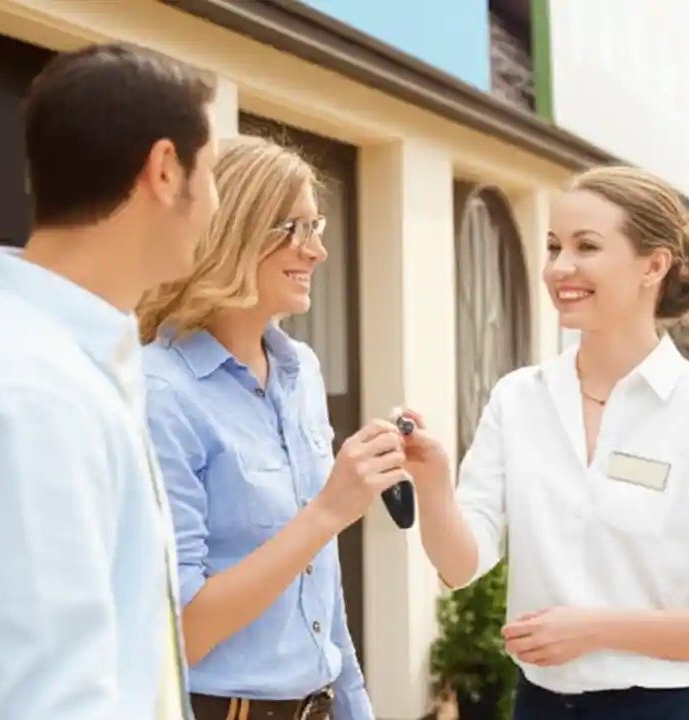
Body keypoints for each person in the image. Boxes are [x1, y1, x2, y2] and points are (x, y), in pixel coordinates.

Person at [0, 43, 219, 720]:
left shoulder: (68, 365)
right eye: (211, 173)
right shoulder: (27, 391)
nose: (216, 204)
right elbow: (60, 701)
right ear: (163, 170)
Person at [405, 166, 689, 719]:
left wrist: (596, 630)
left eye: (586, 247)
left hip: (670, 709)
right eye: (554, 246)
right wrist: (433, 482)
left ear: (654, 265)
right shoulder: (517, 400)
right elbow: (462, 566)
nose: (561, 268)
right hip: (541, 707)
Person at [138, 136, 397, 720]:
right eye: (297, 228)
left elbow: (320, 589)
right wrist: (328, 511)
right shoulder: (160, 394)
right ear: (235, 230)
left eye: (317, 227)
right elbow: (182, 631)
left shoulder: (299, 371)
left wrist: (356, 706)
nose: (319, 252)